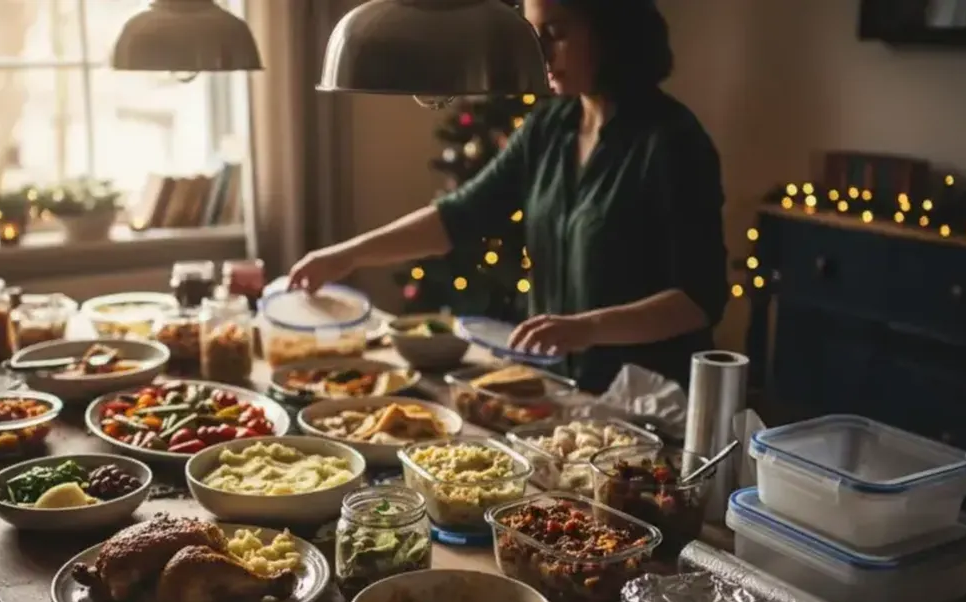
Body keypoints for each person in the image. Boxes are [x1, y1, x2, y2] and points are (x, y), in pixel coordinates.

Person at [287, 0, 728, 393]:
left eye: (555, 33)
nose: (542, 53)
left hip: (652, 399)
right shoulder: (550, 126)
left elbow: (697, 301)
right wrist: (346, 255)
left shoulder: (672, 141)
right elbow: (458, 216)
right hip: (561, 387)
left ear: (615, 31)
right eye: (532, 35)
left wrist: (586, 328)